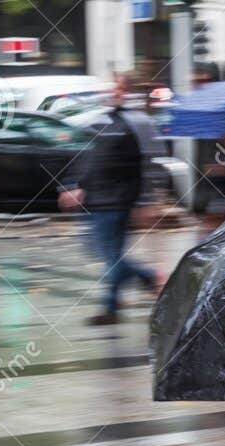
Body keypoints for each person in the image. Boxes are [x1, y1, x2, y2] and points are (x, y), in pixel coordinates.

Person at [58, 74, 161, 326]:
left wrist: (146, 202)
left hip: (118, 201)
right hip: (96, 200)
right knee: (106, 254)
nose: (111, 93)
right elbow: (86, 158)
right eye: (111, 88)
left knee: (111, 256)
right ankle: (145, 278)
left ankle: (112, 307)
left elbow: (148, 165)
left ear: (128, 93)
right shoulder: (103, 121)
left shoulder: (137, 123)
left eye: (117, 89)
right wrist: (74, 186)